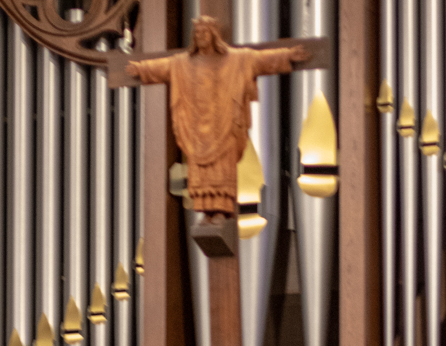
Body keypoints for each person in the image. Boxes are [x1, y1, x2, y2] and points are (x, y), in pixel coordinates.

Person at [127, 15, 309, 222]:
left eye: (205, 33)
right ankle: (206, 210)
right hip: (197, 129)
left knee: (222, 170)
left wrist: (287, 55)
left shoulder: (236, 59)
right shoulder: (182, 64)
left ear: (214, 36)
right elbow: (161, 67)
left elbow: (261, 60)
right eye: (197, 33)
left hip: (224, 125)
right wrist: (140, 69)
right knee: (201, 172)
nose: (201, 36)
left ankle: (222, 209)